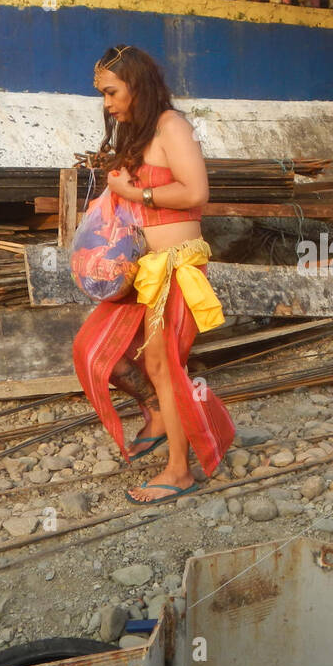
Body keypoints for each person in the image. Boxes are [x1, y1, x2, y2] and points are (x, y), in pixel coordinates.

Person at [72, 45, 235, 504]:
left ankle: (179, 470)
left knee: (165, 365)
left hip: (178, 263)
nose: (106, 103)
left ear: (136, 84)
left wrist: (138, 193)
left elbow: (195, 192)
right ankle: (161, 416)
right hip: (143, 268)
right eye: (103, 94)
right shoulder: (136, 133)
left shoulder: (171, 126)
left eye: (111, 92)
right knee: (94, 350)